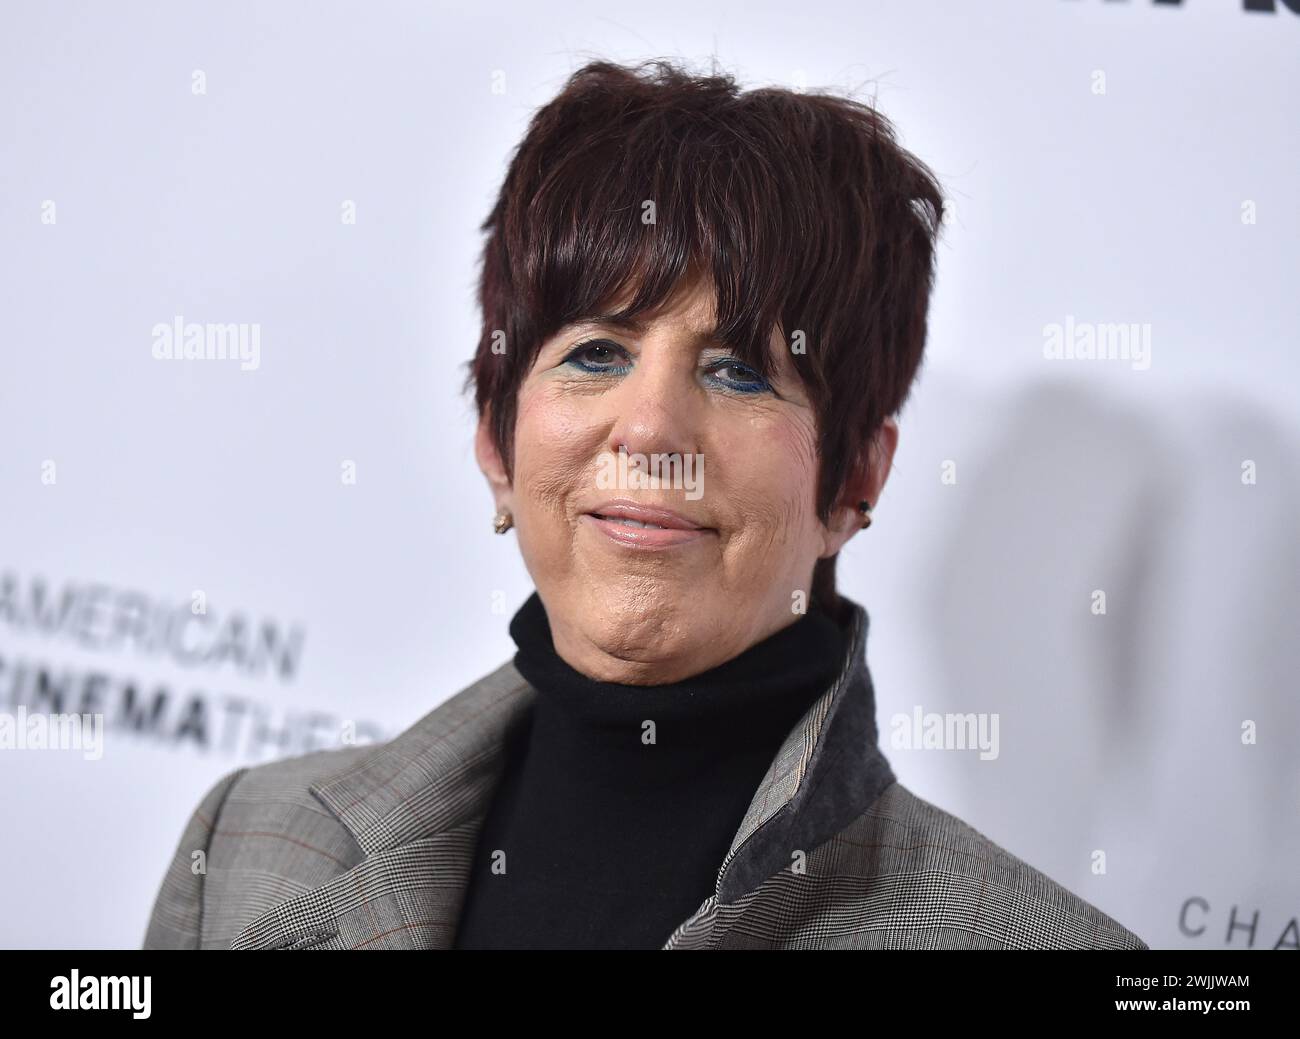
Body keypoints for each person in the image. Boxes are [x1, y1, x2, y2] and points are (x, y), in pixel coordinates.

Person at [144, 58, 1147, 950]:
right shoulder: (243, 847)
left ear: (852, 481)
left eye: (741, 371)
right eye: (595, 353)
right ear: (496, 443)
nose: (651, 429)